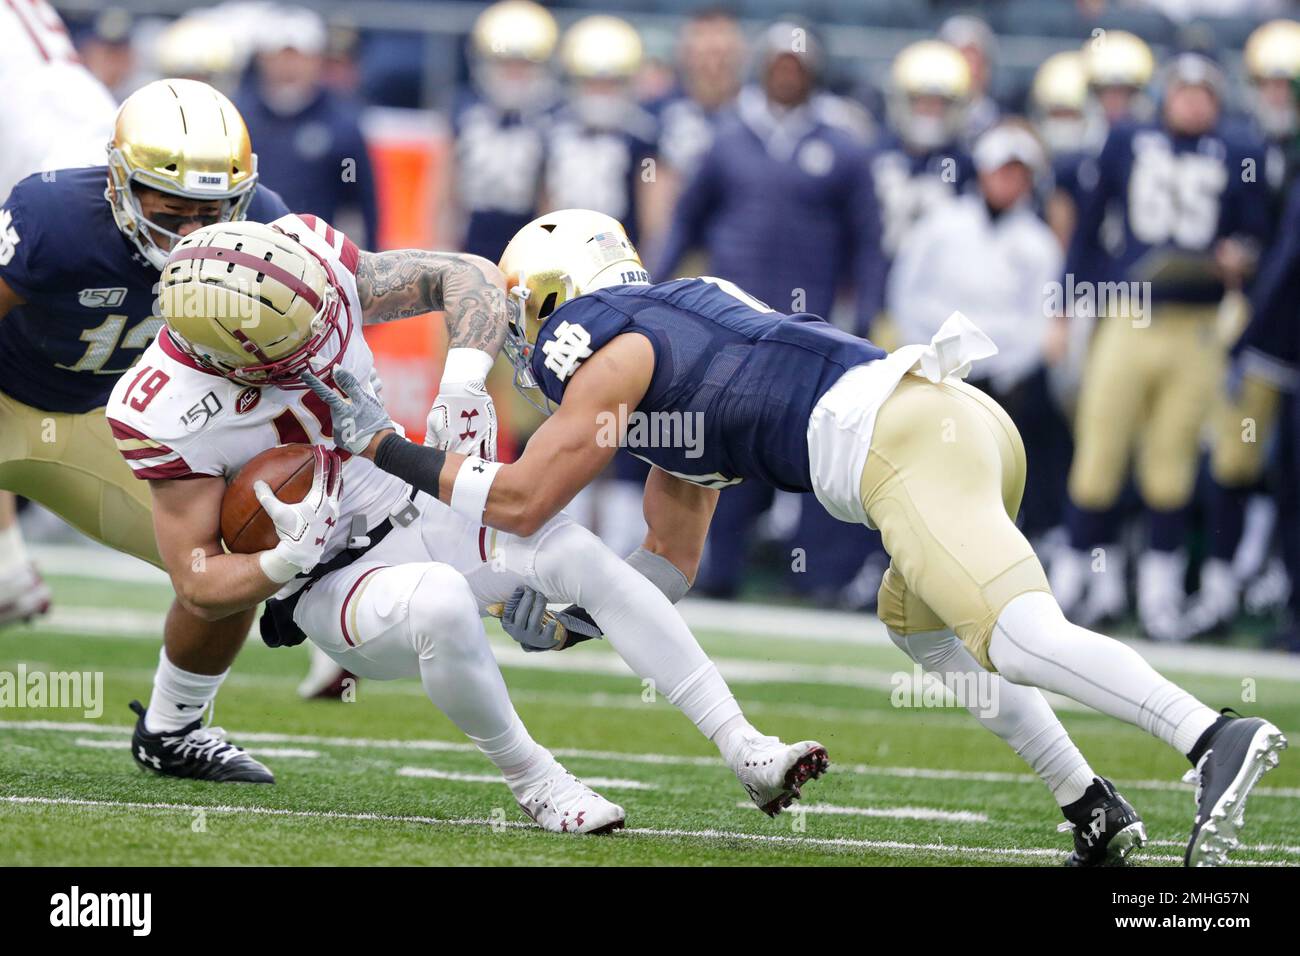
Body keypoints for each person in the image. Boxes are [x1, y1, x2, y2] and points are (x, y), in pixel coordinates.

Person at [329, 207, 1289, 867]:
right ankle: (1090, 804)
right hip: (945, 424)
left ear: (557, 294)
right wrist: (579, 622)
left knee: (1020, 636)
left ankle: (1210, 733)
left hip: (905, 442)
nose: (526, 344)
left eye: (529, 316)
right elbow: (670, 557)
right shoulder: (682, 335)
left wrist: (386, 448)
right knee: (922, 629)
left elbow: (525, 500)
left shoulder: (598, 330)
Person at [107, 215, 828, 828]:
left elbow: (466, 274)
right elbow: (197, 582)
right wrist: (281, 562)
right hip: (334, 580)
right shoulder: (162, 410)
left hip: (414, 500)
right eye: (300, 339)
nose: (328, 337)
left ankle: (746, 747)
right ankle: (537, 782)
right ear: (230, 359)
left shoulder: (307, 260)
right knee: (442, 600)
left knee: (572, 550)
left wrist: (461, 381)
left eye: (326, 313)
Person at [0, 78, 294, 781]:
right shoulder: (54, 216)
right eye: (171, 212)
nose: (192, 234)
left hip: (96, 423)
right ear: (117, 186)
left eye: (212, 212)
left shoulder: (264, 232)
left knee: (230, 558)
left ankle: (174, 728)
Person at [1050, 54, 1275, 641]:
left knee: (1170, 466)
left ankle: (1158, 596)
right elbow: (1089, 233)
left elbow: (1258, 237)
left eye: (1204, 93)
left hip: (1198, 324)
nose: (1193, 103)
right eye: (1184, 92)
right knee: (1099, 452)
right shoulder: (1126, 139)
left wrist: (1238, 259)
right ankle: (1076, 583)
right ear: (1166, 94)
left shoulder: (1240, 151)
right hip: (1130, 314)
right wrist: (1066, 308)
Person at [888, 122, 1070, 544]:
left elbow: (1038, 323)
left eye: (1019, 173)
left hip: (1003, 382)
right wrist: (931, 356)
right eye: (1001, 170)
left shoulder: (1039, 243)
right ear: (983, 171)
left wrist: (997, 367)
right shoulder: (940, 225)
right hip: (931, 367)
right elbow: (905, 292)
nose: (1008, 181)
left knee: (997, 471)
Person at [235, 5, 378, 247]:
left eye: (298, 55)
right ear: (262, 58)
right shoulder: (238, 118)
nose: (288, 65)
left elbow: (353, 191)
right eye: (279, 55)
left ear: (317, 59)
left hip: (317, 258)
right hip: (244, 251)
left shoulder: (342, 127)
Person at [444, 0, 558, 262]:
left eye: (523, 65)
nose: (513, 74)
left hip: (527, 238)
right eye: (505, 64)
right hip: (474, 234)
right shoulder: (466, 112)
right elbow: (446, 188)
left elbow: (549, 197)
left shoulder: (551, 121)